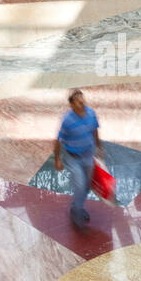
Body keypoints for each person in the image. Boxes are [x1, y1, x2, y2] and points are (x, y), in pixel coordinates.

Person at [53, 89, 103, 227]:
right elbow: (58, 140)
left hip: (88, 154)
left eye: (83, 99)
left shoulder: (91, 113)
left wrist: (99, 148)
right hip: (72, 157)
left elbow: (95, 130)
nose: (82, 103)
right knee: (80, 185)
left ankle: (78, 205)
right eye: (78, 101)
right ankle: (76, 210)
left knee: (87, 185)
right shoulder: (67, 120)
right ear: (71, 105)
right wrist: (57, 159)